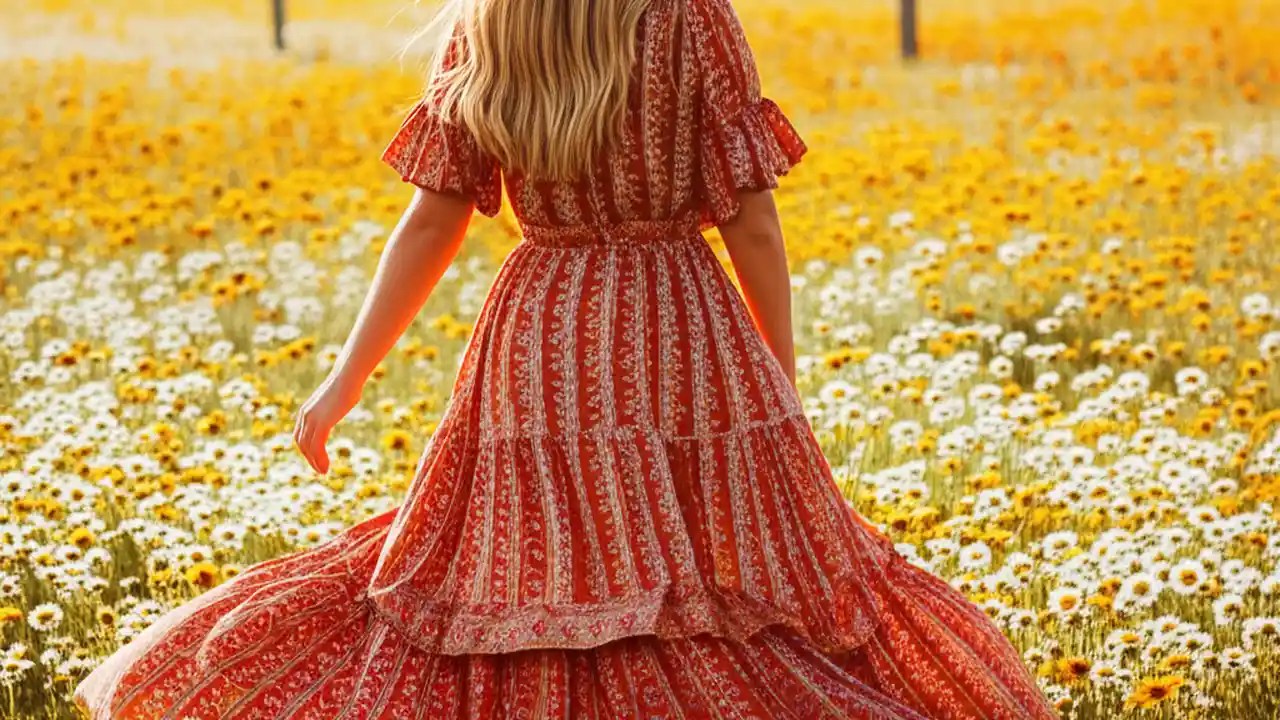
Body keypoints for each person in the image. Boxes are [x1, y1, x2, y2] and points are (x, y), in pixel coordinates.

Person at [74, 0, 1059, 717]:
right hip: (681, 331)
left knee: (514, 582)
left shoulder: (489, 24)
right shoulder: (689, 16)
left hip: (535, 335)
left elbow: (430, 223)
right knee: (711, 582)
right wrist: (778, 385)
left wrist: (342, 385)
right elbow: (751, 224)